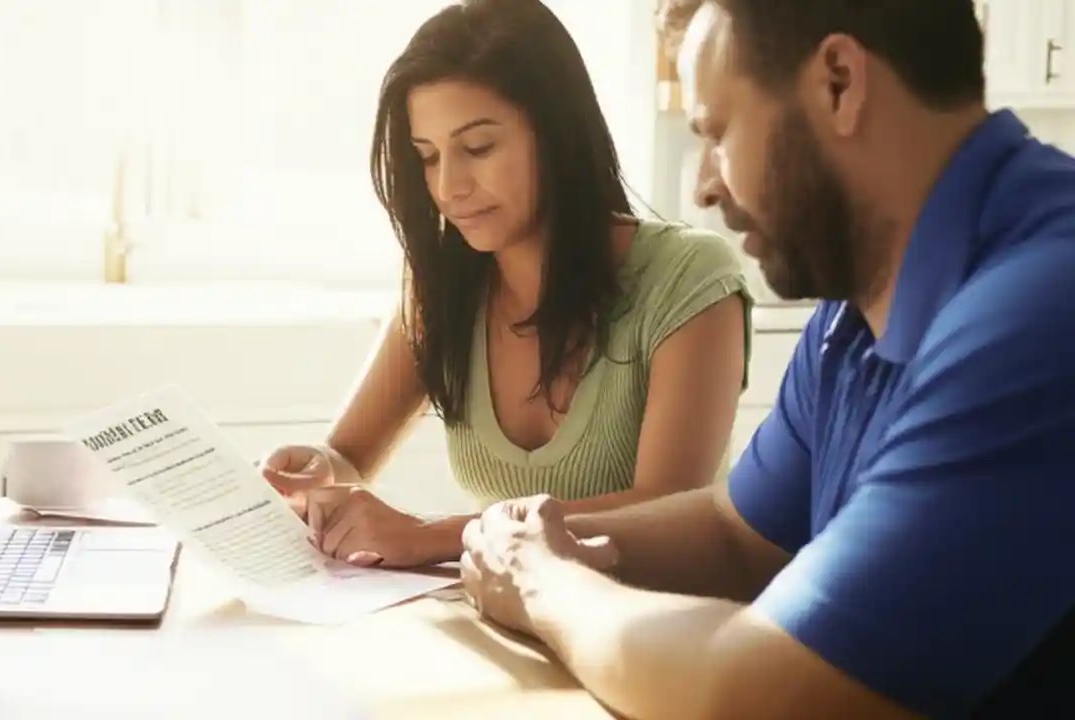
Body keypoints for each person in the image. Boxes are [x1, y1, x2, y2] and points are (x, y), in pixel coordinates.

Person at [460, 1, 1075, 718]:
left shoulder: (1044, 310)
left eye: (717, 132)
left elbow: (762, 694)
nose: (704, 186)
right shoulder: (852, 314)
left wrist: (540, 584)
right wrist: (534, 533)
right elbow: (742, 535)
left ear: (840, 82)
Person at [260, 0, 753, 569]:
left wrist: (436, 534)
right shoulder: (441, 289)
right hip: (518, 624)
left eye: (478, 148)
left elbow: (668, 511)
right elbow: (347, 455)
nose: (449, 187)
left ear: (557, 133)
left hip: (663, 632)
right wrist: (315, 471)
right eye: (427, 157)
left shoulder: (689, 277)